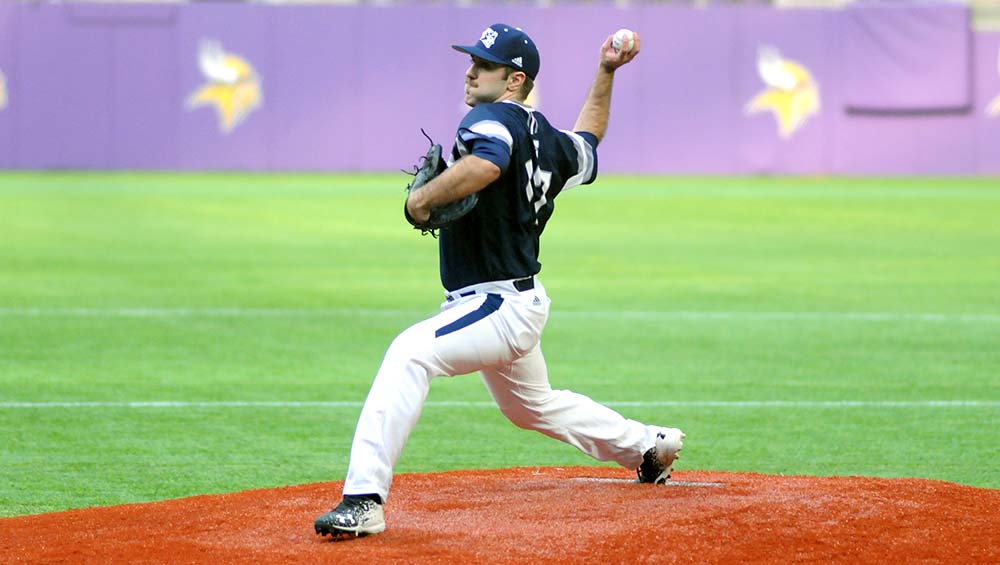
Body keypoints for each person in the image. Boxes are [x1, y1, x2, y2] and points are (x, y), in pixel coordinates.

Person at [315, 23, 684, 539]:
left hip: (498, 303)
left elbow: (488, 162)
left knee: (408, 354)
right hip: (518, 299)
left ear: (514, 80)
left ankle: (363, 499)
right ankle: (647, 444)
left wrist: (422, 200)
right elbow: (590, 139)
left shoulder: (488, 119)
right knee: (531, 405)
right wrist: (605, 72)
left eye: (483, 65)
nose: (470, 72)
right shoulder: (552, 140)